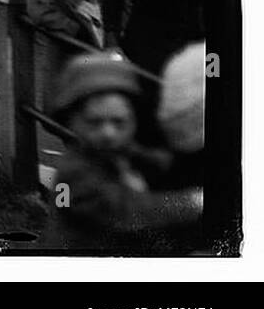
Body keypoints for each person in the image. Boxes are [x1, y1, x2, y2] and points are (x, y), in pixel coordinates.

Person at [46, 51, 202, 251]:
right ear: (72, 121)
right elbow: (129, 212)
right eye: (94, 122)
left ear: (133, 119)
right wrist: (192, 202)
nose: (108, 133)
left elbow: (148, 157)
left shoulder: (113, 152)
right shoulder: (74, 172)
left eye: (119, 122)